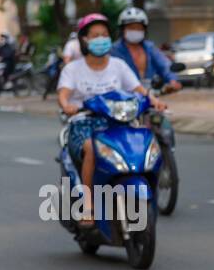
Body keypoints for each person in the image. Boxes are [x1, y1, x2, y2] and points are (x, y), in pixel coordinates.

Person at [56, 13, 164, 222]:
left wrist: (154, 101)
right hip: (84, 125)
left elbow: (139, 89)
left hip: (118, 124)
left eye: (104, 35)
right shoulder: (73, 69)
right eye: (95, 35)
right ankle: (88, 205)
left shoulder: (118, 65)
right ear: (84, 40)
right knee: (91, 149)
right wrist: (67, 105)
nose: (101, 39)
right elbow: (63, 94)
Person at [111, 6, 181, 94]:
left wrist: (172, 81)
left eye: (139, 27)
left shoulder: (150, 48)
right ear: (122, 29)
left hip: (150, 96)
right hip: (124, 98)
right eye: (131, 27)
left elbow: (165, 66)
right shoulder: (114, 51)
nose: (135, 30)